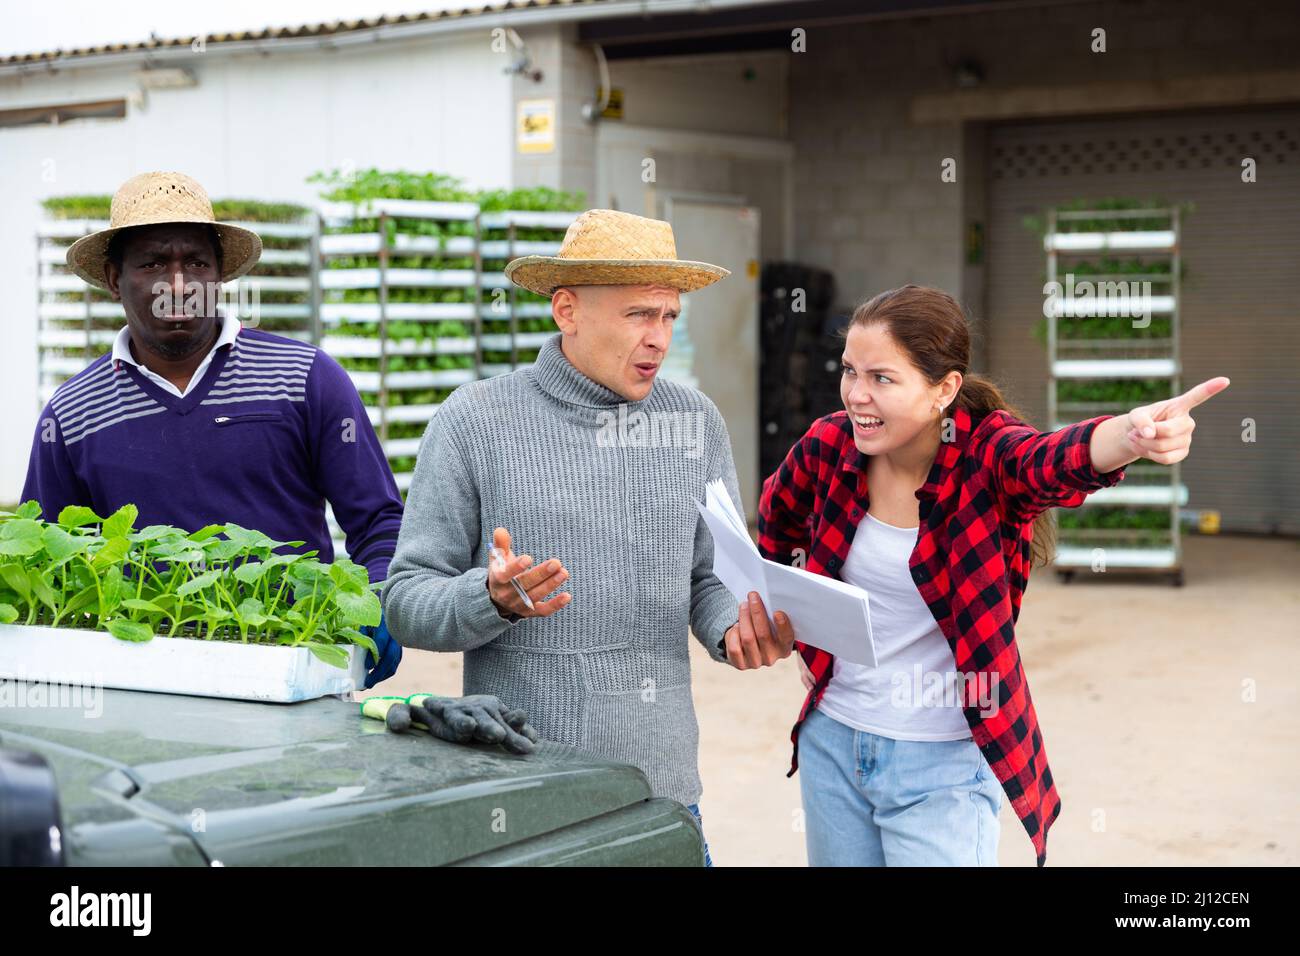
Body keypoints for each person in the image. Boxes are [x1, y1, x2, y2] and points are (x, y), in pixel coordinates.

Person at [758, 284, 1228, 866]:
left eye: (882, 378)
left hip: (943, 763)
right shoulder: (831, 444)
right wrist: (795, 617)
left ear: (944, 389)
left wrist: (1130, 437)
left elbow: (1053, 460)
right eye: (850, 371)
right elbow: (777, 520)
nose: (857, 394)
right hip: (833, 741)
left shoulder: (986, 457)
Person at [382, 208, 796, 866]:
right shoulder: (476, 421)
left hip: (660, 795)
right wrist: (489, 599)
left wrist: (735, 631)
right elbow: (405, 600)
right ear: (566, 310)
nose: (658, 338)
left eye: (669, 317)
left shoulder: (695, 423)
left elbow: (707, 578)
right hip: (521, 802)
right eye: (639, 315)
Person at [21, 171, 406, 688]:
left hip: (295, 664)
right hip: (142, 674)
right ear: (115, 278)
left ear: (219, 275)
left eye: (195, 263)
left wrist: (380, 598)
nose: (177, 284)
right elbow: (47, 556)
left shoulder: (306, 377)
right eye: (153, 262)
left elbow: (379, 520)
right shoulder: (72, 412)